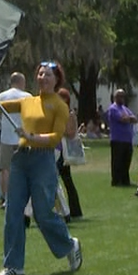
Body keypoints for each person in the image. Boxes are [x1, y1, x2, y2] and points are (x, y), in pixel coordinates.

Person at [0, 60, 82, 275]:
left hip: (43, 160)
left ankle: (69, 245)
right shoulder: (27, 101)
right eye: (40, 74)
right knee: (13, 212)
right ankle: (13, 266)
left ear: (56, 79)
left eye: (47, 75)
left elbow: (55, 137)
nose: (42, 78)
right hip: (21, 159)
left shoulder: (59, 105)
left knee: (42, 213)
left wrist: (31, 136)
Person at [0, 73, 31, 206]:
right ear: (21, 82)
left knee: (5, 169)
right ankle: (21, 197)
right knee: (23, 169)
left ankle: (6, 198)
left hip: (5, 137)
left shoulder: (2, 96)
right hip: (22, 137)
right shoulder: (27, 97)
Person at [56, 88, 83, 220]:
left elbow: (71, 132)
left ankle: (72, 210)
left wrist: (58, 130)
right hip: (57, 149)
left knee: (65, 180)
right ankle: (66, 210)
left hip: (63, 151)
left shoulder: (69, 114)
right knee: (63, 181)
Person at [106, 88, 137, 187]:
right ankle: (116, 181)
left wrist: (128, 118)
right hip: (117, 139)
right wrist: (128, 118)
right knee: (117, 161)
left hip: (127, 140)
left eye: (123, 96)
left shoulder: (125, 109)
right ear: (115, 97)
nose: (122, 98)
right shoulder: (113, 109)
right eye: (120, 96)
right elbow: (123, 119)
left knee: (126, 161)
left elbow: (134, 119)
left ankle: (125, 180)